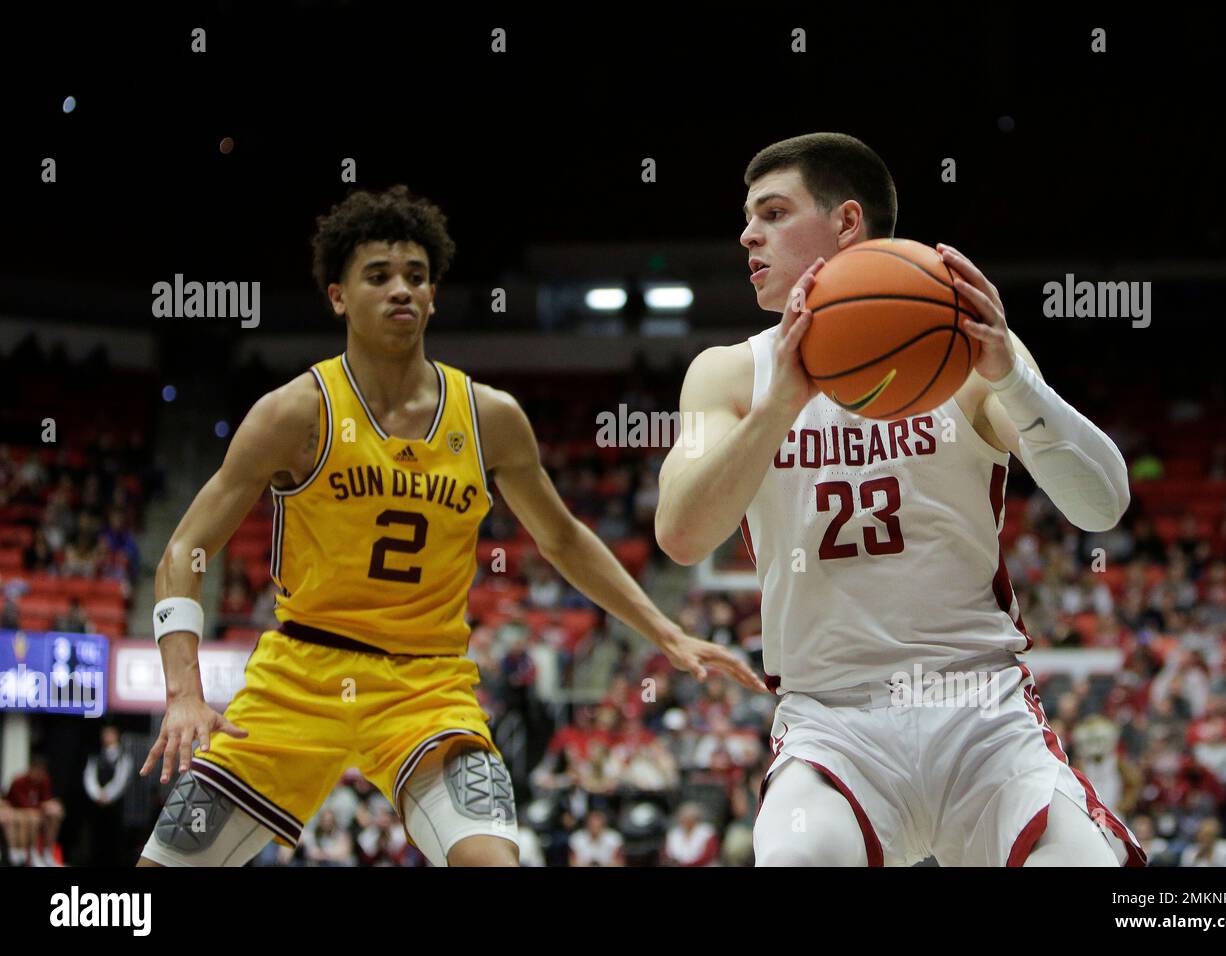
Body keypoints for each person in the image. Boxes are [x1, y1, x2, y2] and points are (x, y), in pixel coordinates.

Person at [137, 185, 765, 869]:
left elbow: (563, 538)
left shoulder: (489, 416)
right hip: (299, 679)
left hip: (427, 687)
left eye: (416, 276)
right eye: (378, 276)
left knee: (493, 861)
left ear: (435, 296)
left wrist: (665, 631)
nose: (401, 289)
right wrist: (184, 694)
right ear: (338, 295)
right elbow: (186, 547)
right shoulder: (294, 412)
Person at [656, 132, 1144, 867]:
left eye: (774, 212)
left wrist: (1014, 376)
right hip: (832, 720)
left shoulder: (969, 351)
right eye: (750, 216)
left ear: (847, 222)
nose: (747, 234)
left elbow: (1103, 504)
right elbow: (682, 536)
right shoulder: (729, 374)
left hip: (981, 711)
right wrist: (780, 405)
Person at [83, 724, 132, 866]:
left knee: (114, 837)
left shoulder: (124, 757)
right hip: (97, 803)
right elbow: (89, 777)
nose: (106, 737)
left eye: (110, 734)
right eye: (104, 734)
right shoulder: (96, 756)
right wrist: (97, 794)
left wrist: (108, 795)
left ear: (116, 736)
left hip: (115, 805)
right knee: (96, 836)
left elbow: (121, 780)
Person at [5, 754, 64, 866]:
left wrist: (51, 806)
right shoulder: (19, 781)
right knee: (33, 819)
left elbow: (45, 799)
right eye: (37, 771)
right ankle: (31, 853)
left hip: (34, 811)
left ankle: (48, 852)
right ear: (30, 769)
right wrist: (43, 806)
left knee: (54, 815)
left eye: (42, 772)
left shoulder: (44, 780)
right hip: (19, 811)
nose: (39, 775)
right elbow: (22, 804)